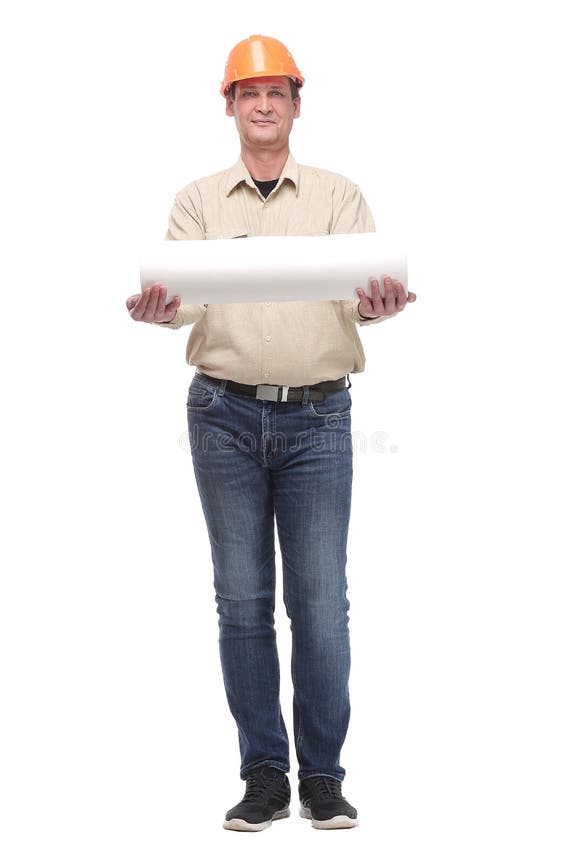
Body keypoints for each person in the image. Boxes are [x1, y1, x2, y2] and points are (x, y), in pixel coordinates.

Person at [126, 34, 416, 832]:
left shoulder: (338, 196)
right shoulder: (196, 202)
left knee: (321, 604)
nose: (262, 105)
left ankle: (322, 776)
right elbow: (182, 300)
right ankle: (263, 774)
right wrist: (158, 311)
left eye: (276, 93)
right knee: (243, 600)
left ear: (294, 104)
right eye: (247, 93)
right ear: (229, 105)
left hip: (319, 417)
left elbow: (361, 296)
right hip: (222, 414)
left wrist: (379, 306)